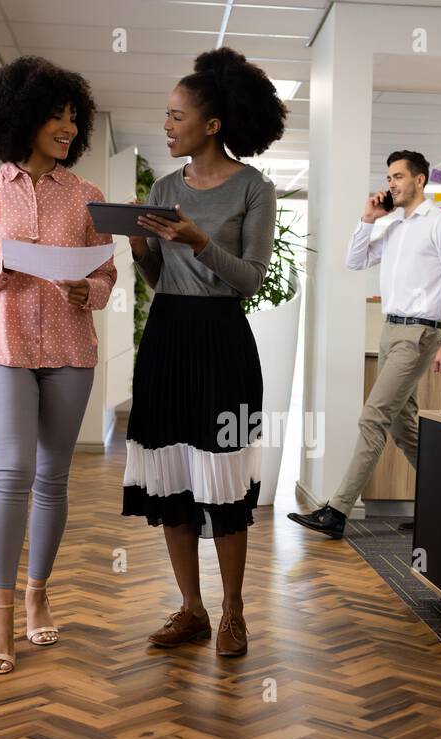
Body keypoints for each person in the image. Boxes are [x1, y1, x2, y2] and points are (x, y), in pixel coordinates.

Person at [0, 56, 117, 675]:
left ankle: (38, 595)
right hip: (8, 349)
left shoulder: (87, 197)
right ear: (19, 118)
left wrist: (88, 292)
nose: (68, 128)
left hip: (72, 351)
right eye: (55, 115)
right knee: (13, 470)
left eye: (74, 118)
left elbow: (105, 272)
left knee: (54, 477)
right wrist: (0, 269)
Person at [123, 47, 286, 658]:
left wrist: (196, 242)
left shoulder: (254, 189)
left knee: (222, 481)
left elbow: (249, 280)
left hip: (222, 340)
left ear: (212, 124)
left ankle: (234, 611)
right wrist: (143, 253)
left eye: (175, 115)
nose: (166, 125)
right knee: (172, 481)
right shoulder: (164, 187)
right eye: (165, 116)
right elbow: (159, 282)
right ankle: (191, 609)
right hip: (167, 336)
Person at [288, 150, 441, 540]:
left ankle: (336, 511)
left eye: (399, 176)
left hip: (421, 334)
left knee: (373, 417)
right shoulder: (394, 228)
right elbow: (355, 261)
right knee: (405, 430)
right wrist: (367, 221)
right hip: (391, 331)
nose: (391, 184)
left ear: (420, 180)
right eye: (389, 177)